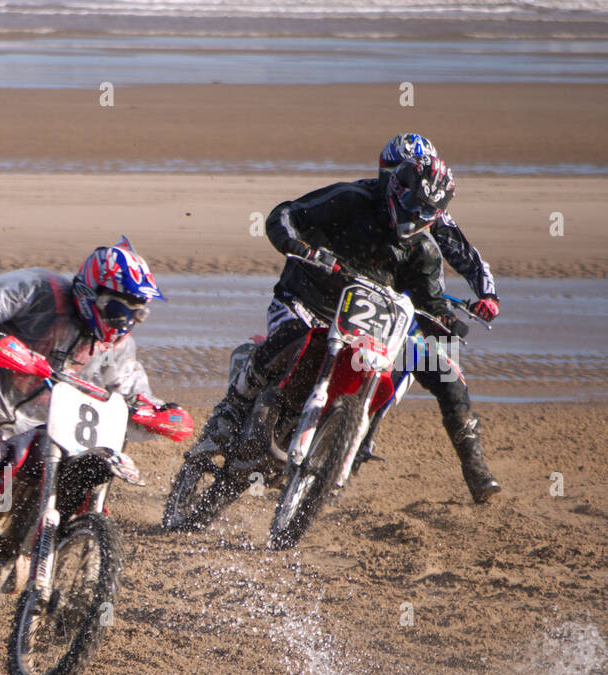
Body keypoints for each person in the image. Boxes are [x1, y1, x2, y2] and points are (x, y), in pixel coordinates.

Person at [205, 153, 501, 503]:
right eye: (410, 202)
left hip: (377, 327)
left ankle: (357, 453)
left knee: (445, 373)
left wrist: (453, 317)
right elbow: (286, 215)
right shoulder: (351, 200)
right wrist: (299, 248)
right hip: (305, 303)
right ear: (394, 183)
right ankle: (232, 406)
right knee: (292, 337)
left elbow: (435, 295)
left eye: (426, 211)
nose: (415, 215)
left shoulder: (424, 248)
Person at [0, 237, 175, 556]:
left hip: (29, 430)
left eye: (137, 314)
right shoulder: (40, 291)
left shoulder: (115, 348)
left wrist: (158, 413)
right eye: (118, 310)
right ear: (89, 294)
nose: (124, 323)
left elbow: (131, 391)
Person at [371, 134, 499, 323]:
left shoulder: (433, 216)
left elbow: (467, 257)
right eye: (395, 172)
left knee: (438, 342)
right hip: (359, 288)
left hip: (412, 297)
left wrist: (489, 297)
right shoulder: (360, 197)